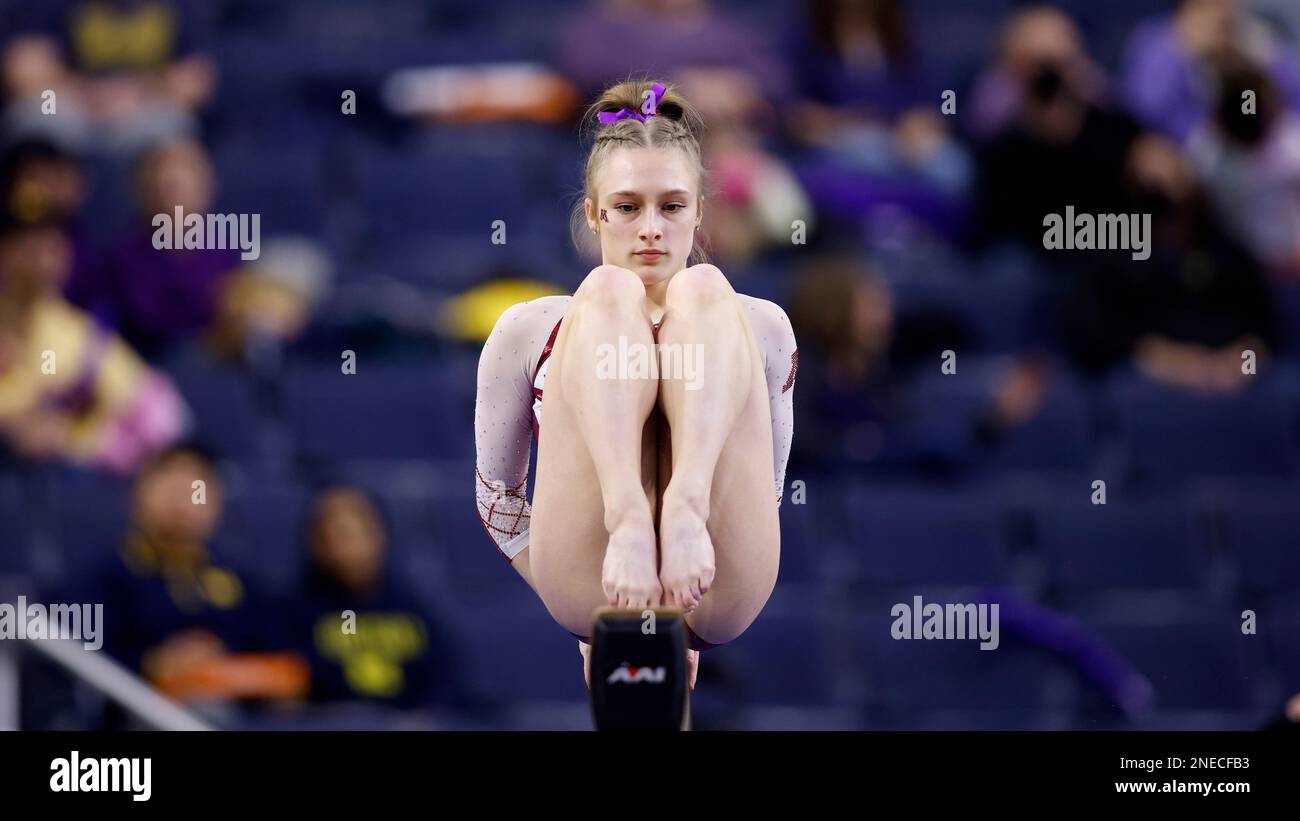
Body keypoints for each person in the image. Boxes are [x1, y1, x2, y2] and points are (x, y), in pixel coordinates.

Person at [473, 79, 798, 686]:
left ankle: (684, 506)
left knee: (704, 287)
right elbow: (497, 497)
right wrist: (578, 615)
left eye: (672, 206)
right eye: (627, 207)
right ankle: (630, 515)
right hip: (597, 575)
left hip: (711, 567)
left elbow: (767, 481)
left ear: (700, 210)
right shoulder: (528, 329)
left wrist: (699, 531)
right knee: (606, 291)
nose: (651, 228)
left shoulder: (762, 325)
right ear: (594, 213)